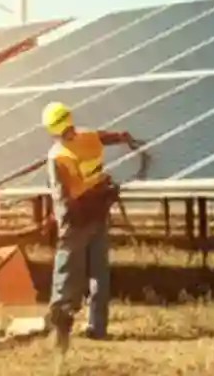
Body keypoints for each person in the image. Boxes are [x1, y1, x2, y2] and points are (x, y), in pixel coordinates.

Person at [42, 101, 144, 351]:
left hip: (77, 219)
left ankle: (60, 326)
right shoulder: (88, 136)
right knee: (99, 271)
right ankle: (98, 327)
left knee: (67, 273)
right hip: (99, 212)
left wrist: (59, 219)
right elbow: (102, 137)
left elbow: (70, 192)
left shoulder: (59, 155)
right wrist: (122, 137)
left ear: (51, 128)